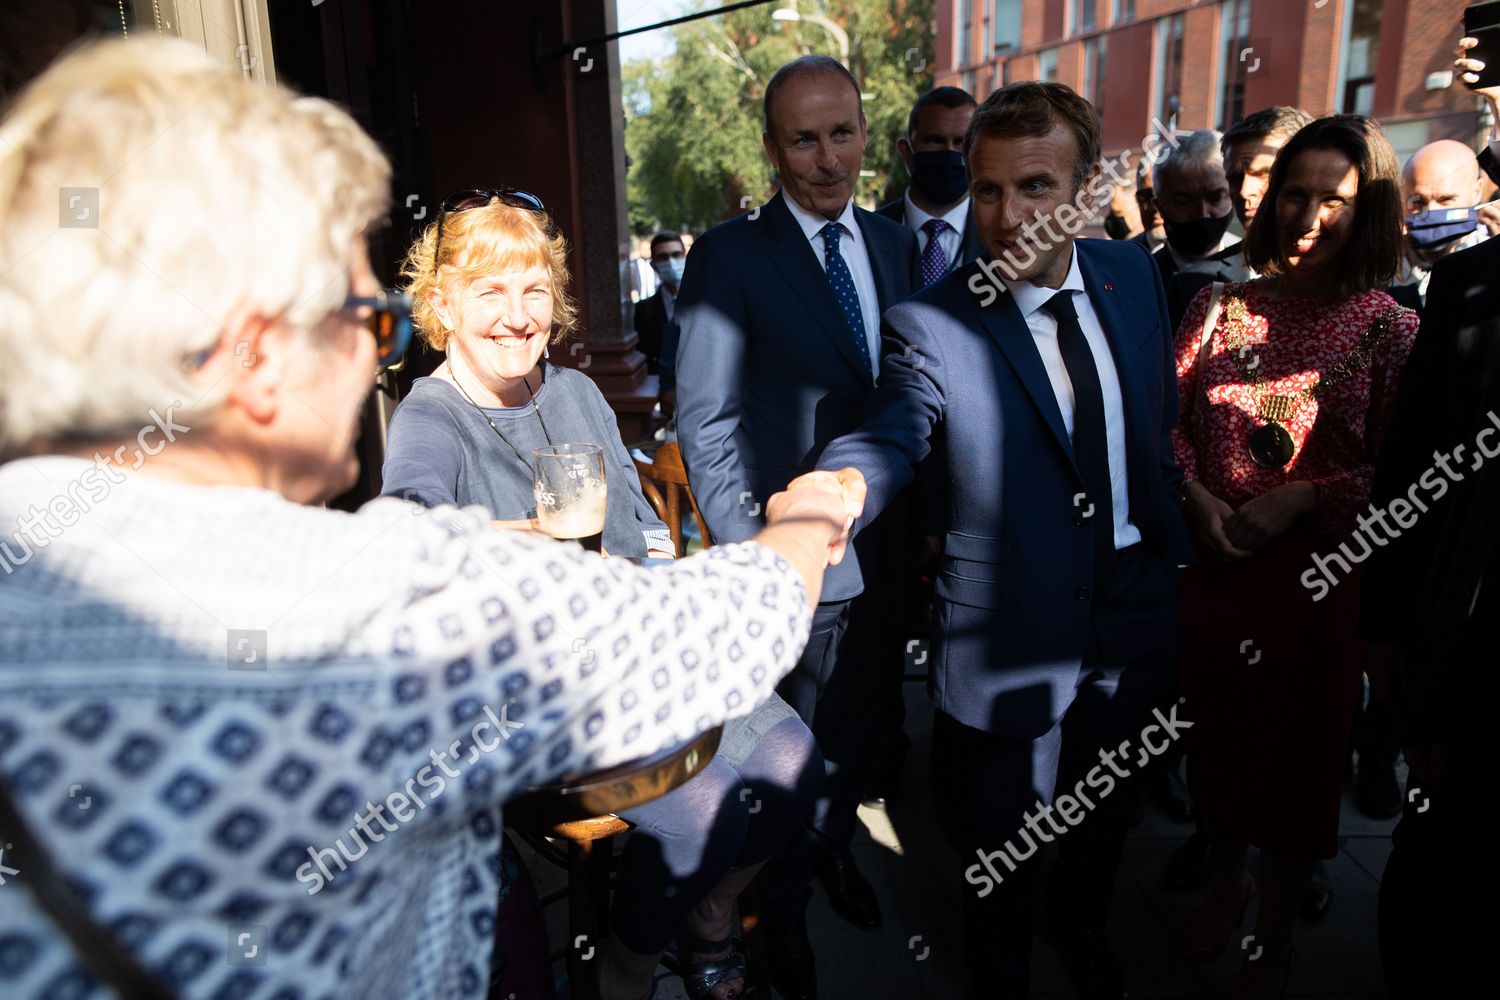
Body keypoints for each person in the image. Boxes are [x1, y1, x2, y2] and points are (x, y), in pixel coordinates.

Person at [0, 37, 864, 1000]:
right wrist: (805, 520)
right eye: (365, 319)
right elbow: (702, 630)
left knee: (782, 774)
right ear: (244, 350)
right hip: (592, 688)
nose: (379, 351)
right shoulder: (383, 607)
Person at [379, 195, 822, 1000]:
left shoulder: (576, 392)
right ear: (441, 304)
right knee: (705, 808)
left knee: (795, 763)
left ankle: (710, 914)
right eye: (490, 292)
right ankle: (627, 966)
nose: (518, 318)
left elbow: (645, 524)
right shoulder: (431, 415)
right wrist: (539, 538)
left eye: (534, 290)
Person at [817, 81, 1193, 1000]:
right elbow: (896, 428)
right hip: (1008, 626)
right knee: (1001, 842)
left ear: (1080, 194)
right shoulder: (932, 322)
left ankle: (1082, 930)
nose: (1004, 214)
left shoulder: (1133, 276)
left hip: (1135, 606)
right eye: (987, 190)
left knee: (1104, 808)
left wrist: (1180, 514)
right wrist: (830, 495)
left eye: (1032, 189)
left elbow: (1153, 423)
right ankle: (1001, 971)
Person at [674, 54, 920, 1000]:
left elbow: (914, 399)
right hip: (791, 568)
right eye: (804, 139)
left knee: (855, 741)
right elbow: (707, 421)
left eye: (843, 133)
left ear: (867, 131)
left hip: (891, 553)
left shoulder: (898, 247)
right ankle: (777, 923)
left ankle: (833, 863)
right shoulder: (729, 257)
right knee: (787, 754)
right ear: (772, 147)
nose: (827, 159)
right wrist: (757, 558)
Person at [1171, 115, 1417, 999]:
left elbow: (1404, 471)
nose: (1308, 216)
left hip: (1318, 590)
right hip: (1219, 569)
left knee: (1300, 768)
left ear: (1374, 209)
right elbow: (1165, 430)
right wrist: (1196, 495)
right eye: (1297, 195)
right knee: (1221, 747)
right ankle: (1228, 879)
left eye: (1336, 200)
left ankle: (1273, 935)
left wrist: (1306, 496)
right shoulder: (1219, 306)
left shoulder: (1391, 329)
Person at [1364, 234, 1500, 997]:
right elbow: (1415, 464)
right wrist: (1389, 631)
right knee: (1443, 896)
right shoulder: (1471, 282)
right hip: (1475, 660)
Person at [877, 86, 985, 284]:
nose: (949, 153)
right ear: (906, 151)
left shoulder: (1002, 234)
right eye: (934, 141)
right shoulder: (867, 234)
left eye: (962, 143)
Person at [1150, 129, 1248, 332]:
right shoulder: (1140, 277)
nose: (1202, 213)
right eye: (1184, 201)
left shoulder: (1254, 268)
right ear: (1160, 207)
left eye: (1215, 197)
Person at [1389, 140, 1491, 312]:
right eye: (1418, 201)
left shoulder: (1491, 263)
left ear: (1476, 192)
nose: (1430, 211)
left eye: (1445, 200)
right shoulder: (1379, 266)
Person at [633, 230, 685, 374]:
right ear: (654, 265)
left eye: (676, 255)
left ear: (685, 257)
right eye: (663, 257)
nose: (671, 262)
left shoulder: (705, 304)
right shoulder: (641, 310)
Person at [1129, 158, 1167, 253]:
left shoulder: (1203, 252)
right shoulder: (1125, 256)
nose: (1155, 207)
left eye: (1161, 194)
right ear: (1137, 200)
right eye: (1146, 196)